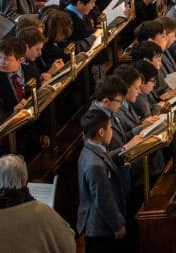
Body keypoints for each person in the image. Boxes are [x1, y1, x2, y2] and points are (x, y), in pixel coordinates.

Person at [76, 108, 129, 252]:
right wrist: (117, 225)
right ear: (101, 132)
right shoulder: (94, 165)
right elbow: (103, 199)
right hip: (101, 228)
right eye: (110, 128)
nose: (112, 131)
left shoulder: (89, 149)